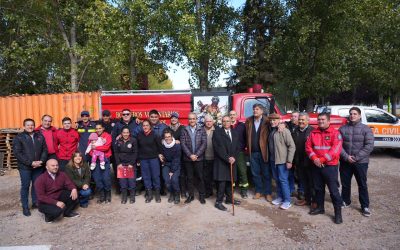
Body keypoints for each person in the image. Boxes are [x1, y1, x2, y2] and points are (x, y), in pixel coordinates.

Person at [306, 113, 343, 224]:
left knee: (333, 191)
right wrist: (315, 159)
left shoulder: (335, 133)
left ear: (328, 121)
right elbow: (308, 147)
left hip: (330, 166)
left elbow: (336, 150)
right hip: (316, 165)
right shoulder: (313, 133)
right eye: (319, 119)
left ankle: (338, 214)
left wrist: (321, 160)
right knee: (318, 189)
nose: (320, 121)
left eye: (323, 119)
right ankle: (320, 208)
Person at [339, 107, 374, 217]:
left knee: (362, 184)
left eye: (355, 114)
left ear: (359, 116)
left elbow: (369, 146)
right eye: (351, 114)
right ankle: (345, 200)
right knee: (345, 183)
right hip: (346, 161)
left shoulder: (366, 129)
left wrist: (356, 157)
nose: (352, 115)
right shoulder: (342, 129)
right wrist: (346, 157)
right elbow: (338, 145)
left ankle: (365, 206)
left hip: (361, 162)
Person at [13, 118, 48, 216]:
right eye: (28, 125)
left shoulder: (39, 136)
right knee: (25, 186)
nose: (30, 126)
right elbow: (17, 153)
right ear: (24, 126)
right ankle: (25, 206)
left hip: (38, 166)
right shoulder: (19, 137)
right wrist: (30, 163)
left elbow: (45, 149)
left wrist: (41, 161)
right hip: (25, 167)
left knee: (36, 185)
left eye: (32, 125)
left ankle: (35, 202)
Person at [34, 159, 79, 223]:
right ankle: (48, 217)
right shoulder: (40, 179)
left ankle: (67, 213)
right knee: (57, 211)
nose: (55, 167)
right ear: (47, 167)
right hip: (45, 202)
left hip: (57, 196)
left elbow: (69, 183)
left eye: (57, 165)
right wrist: (56, 202)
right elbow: (41, 197)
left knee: (73, 195)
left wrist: (73, 189)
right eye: (53, 165)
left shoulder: (62, 174)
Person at [268, 113, 296, 210]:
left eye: (274, 120)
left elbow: (292, 146)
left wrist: (289, 161)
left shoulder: (284, 130)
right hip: (273, 160)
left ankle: (287, 201)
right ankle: (280, 197)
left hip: (282, 161)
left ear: (279, 120)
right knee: (277, 180)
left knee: (283, 180)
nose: (272, 122)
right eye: (271, 120)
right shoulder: (273, 131)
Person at [213, 115, 240, 211]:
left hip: (232, 161)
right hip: (222, 161)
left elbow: (238, 147)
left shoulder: (235, 133)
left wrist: (233, 157)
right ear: (222, 122)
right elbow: (218, 148)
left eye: (228, 121)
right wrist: (227, 158)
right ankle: (218, 202)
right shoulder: (217, 133)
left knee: (230, 181)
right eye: (224, 121)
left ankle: (229, 199)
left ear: (231, 122)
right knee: (222, 182)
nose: (226, 123)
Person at [245, 104, 272, 201]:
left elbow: (276, 125)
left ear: (262, 111)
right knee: (255, 173)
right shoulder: (248, 121)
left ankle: (268, 193)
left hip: (264, 152)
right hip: (253, 152)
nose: (254, 111)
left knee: (266, 173)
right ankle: (258, 191)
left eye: (257, 109)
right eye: (253, 109)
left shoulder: (267, 121)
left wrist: (283, 125)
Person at [180, 112, 207, 204]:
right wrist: (190, 155)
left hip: (198, 159)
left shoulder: (201, 129)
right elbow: (183, 144)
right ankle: (191, 196)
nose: (192, 120)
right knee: (190, 178)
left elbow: (204, 143)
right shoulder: (184, 130)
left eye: (193, 119)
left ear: (196, 119)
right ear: (188, 120)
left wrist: (197, 155)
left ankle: (202, 196)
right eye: (190, 119)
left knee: (200, 177)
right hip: (188, 159)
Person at [292, 113, 315, 208]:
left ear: (308, 121)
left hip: (310, 162)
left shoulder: (313, 131)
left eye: (303, 120)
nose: (301, 121)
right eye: (300, 119)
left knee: (312, 182)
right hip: (299, 161)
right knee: (303, 181)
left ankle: (314, 201)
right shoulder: (295, 130)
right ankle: (306, 199)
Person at [137, 120, 163, 203]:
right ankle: (149, 194)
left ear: (150, 126)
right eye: (144, 125)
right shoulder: (139, 135)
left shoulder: (155, 135)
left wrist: (160, 155)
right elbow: (137, 148)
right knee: (146, 177)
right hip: (143, 159)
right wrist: (138, 159)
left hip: (153, 159)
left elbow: (160, 147)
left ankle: (157, 194)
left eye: (147, 125)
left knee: (155, 176)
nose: (145, 127)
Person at [114, 127, 138, 204]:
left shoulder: (133, 140)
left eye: (127, 132)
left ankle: (132, 196)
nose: (125, 134)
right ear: (121, 133)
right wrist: (118, 163)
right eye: (124, 132)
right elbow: (116, 153)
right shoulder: (118, 141)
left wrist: (131, 163)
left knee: (131, 181)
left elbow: (135, 152)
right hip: (121, 164)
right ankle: (124, 197)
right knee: (122, 182)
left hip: (131, 164)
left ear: (129, 133)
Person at [90, 122, 112, 204]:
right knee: (97, 178)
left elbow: (106, 147)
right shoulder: (93, 136)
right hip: (95, 160)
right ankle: (102, 195)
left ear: (103, 128)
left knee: (106, 178)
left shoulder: (107, 136)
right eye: (97, 128)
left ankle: (108, 194)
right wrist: (94, 154)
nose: (98, 130)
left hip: (105, 159)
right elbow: (90, 148)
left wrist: (95, 147)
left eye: (100, 128)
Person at [229, 110, 249, 198]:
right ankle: (231, 189)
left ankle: (244, 190)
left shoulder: (242, 126)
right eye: (231, 115)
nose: (232, 116)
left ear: (236, 116)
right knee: (231, 171)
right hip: (230, 152)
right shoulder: (226, 126)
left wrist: (245, 147)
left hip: (240, 152)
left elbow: (246, 137)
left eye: (234, 115)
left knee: (242, 171)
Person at [168, 112, 187, 198]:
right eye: (172, 118)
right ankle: (175, 191)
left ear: (178, 119)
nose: (173, 119)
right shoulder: (168, 128)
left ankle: (183, 191)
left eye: (175, 118)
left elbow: (186, 139)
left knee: (182, 174)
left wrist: (180, 141)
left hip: (182, 153)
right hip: (172, 154)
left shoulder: (182, 127)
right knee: (173, 173)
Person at [160, 129, 182, 204]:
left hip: (175, 165)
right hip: (166, 164)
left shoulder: (177, 145)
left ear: (172, 136)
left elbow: (176, 159)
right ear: (164, 138)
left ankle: (177, 194)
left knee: (174, 180)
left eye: (169, 136)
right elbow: (161, 154)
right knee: (167, 181)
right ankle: (172, 193)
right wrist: (160, 157)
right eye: (166, 137)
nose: (167, 138)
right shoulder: (163, 145)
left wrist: (172, 171)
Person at [286, 111, 300, 197]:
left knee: (300, 174)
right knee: (290, 173)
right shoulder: (288, 125)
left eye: (295, 116)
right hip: (290, 154)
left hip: (299, 154)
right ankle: (291, 189)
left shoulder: (302, 127)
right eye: (292, 116)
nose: (293, 118)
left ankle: (301, 191)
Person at [203, 114, 216, 198]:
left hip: (215, 157)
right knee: (206, 176)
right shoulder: (201, 130)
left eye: (210, 121)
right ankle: (208, 191)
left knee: (214, 175)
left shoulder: (217, 130)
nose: (208, 123)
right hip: (204, 157)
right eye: (207, 121)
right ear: (204, 122)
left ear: (213, 122)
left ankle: (217, 192)